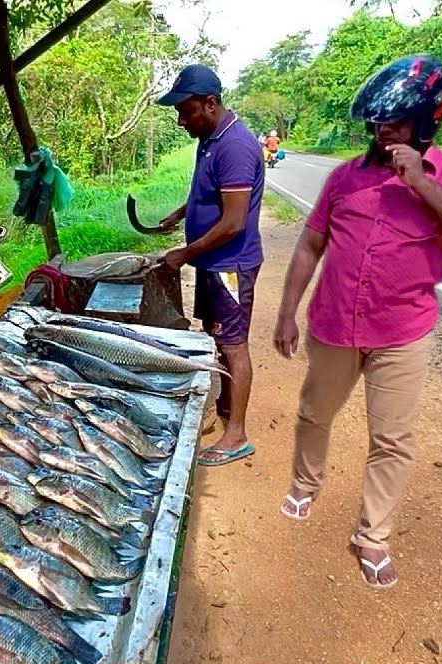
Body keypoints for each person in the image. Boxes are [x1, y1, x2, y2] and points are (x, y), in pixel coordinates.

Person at [273, 54, 442, 588]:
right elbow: (310, 245)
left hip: (403, 333)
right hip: (333, 323)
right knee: (313, 413)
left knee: (392, 440)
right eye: (376, 122)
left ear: (427, 120)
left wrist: (420, 182)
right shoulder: (343, 178)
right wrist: (286, 312)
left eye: (395, 122)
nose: (382, 131)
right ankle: (306, 484)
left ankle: (372, 536)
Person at [155, 63, 264, 466]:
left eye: (186, 111)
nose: (181, 120)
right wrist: (181, 213)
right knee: (216, 336)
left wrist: (184, 254)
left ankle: (237, 435)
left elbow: (234, 221)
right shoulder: (211, 136)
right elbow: (209, 194)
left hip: (229, 266)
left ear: (211, 103)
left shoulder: (234, 145)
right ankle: (224, 408)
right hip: (212, 263)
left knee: (234, 346)